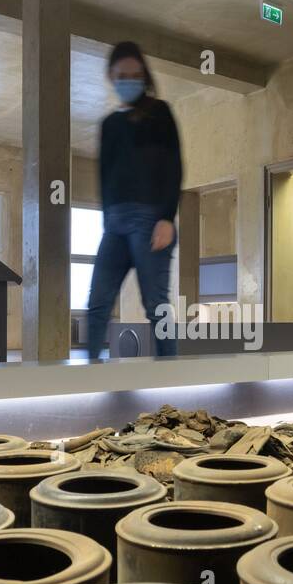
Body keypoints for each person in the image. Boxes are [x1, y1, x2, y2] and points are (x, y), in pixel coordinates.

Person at [86, 41, 183, 359]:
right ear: (112, 77)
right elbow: (104, 177)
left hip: (150, 218)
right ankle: (89, 375)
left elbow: (174, 166)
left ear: (143, 76)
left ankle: (171, 373)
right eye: (122, 75)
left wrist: (167, 217)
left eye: (134, 74)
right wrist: (106, 224)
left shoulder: (159, 113)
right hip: (115, 223)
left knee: (155, 304)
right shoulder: (109, 124)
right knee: (98, 301)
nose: (128, 80)